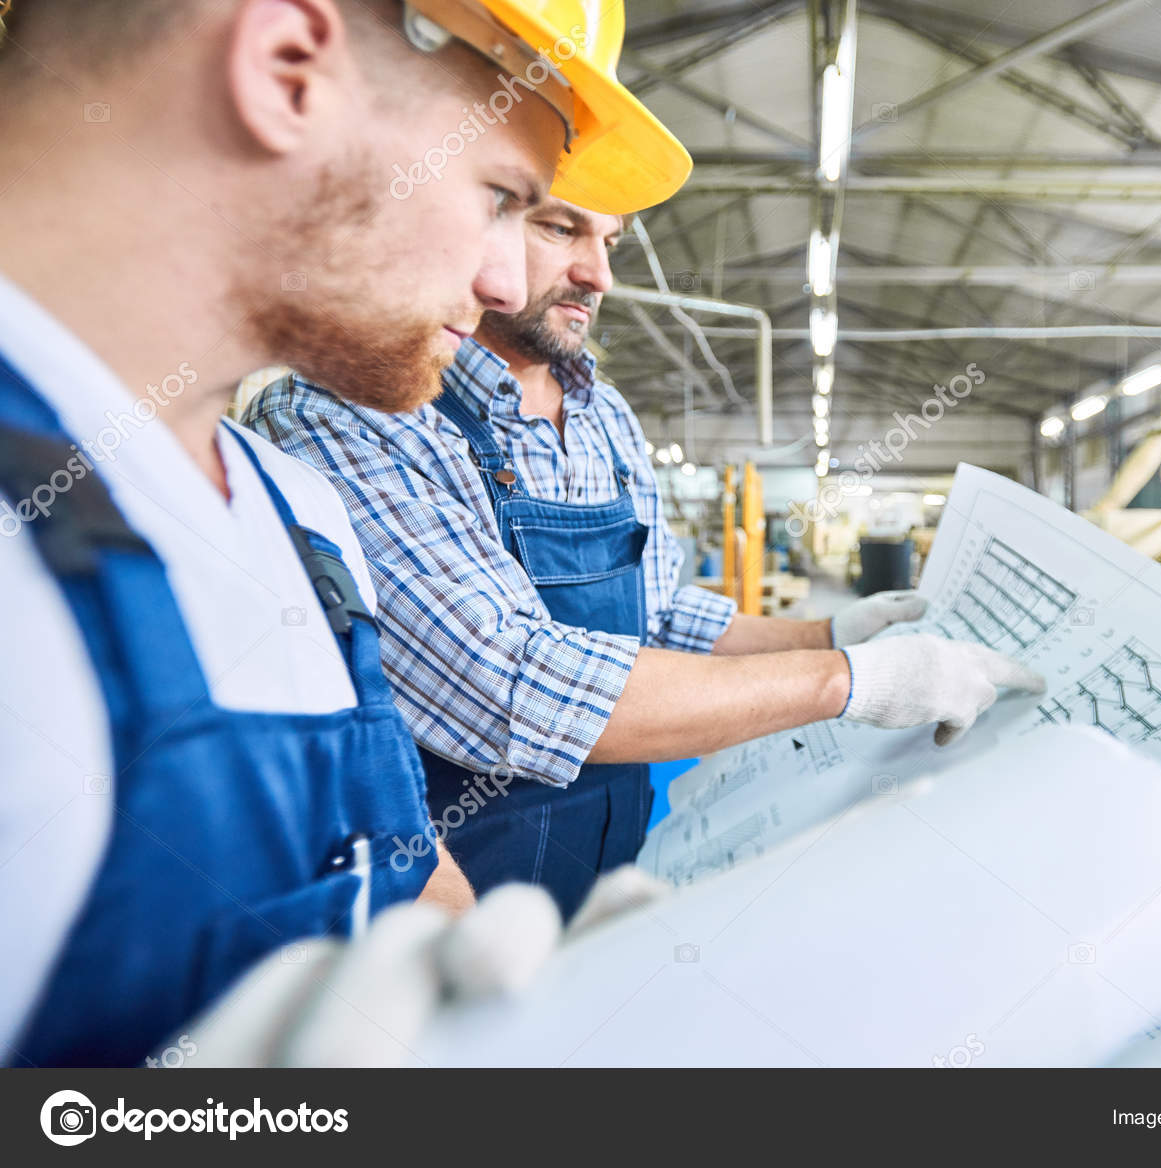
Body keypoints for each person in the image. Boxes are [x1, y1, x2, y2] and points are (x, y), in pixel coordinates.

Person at [0, 0, 685, 1066]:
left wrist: (522, 1011)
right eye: (500, 195)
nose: (507, 283)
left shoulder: (293, 509)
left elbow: (404, 860)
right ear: (286, 71)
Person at [246, 194, 1047, 918]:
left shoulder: (603, 412)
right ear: (473, 216)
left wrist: (833, 634)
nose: (596, 273)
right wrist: (853, 682)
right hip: (457, 894)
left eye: (611, 242)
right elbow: (509, 687)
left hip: (615, 851)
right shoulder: (352, 409)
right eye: (559, 228)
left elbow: (662, 614)